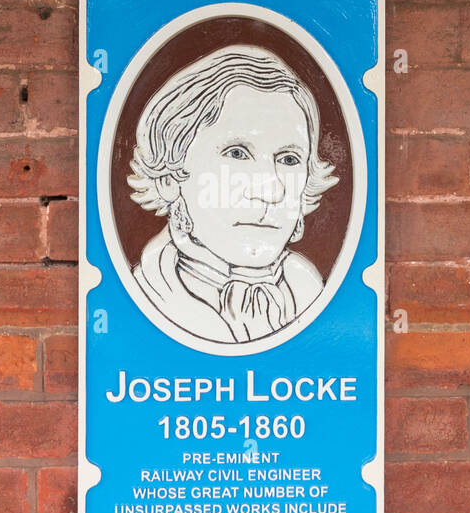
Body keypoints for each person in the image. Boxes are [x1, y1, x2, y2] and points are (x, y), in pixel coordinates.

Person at [126, 44, 338, 343]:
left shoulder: (312, 292)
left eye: (289, 159)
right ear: (170, 177)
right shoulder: (143, 298)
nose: (272, 190)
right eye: (237, 154)